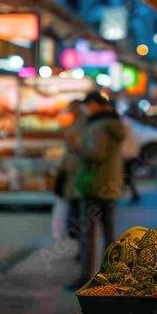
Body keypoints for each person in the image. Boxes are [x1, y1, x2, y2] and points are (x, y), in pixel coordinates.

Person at [66, 92, 127, 290]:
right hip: (109, 185)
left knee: (88, 234)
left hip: (93, 184)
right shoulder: (113, 123)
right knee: (108, 233)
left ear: (94, 105)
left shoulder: (99, 126)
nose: (86, 109)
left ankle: (86, 276)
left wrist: (76, 146)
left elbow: (96, 153)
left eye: (87, 105)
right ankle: (111, 275)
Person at [57, 100, 86, 258]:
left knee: (78, 213)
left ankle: (82, 249)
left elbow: (80, 148)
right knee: (76, 213)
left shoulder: (82, 124)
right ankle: (81, 247)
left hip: (77, 175)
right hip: (73, 173)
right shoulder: (78, 123)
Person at [120, 115, 141, 204]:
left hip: (126, 154)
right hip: (130, 153)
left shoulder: (122, 123)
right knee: (128, 175)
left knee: (127, 175)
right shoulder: (127, 122)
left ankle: (133, 194)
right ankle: (133, 194)